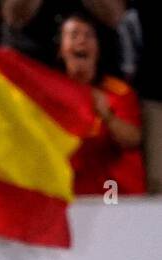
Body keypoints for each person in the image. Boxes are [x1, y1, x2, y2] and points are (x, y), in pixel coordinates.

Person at [59, 12, 145, 197]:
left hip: (112, 190)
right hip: (67, 191)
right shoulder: (49, 91)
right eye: (74, 35)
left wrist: (108, 117)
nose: (81, 41)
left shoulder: (118, 92)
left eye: (89, 35)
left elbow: (134, 140)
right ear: (61, 49)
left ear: (97, 49)